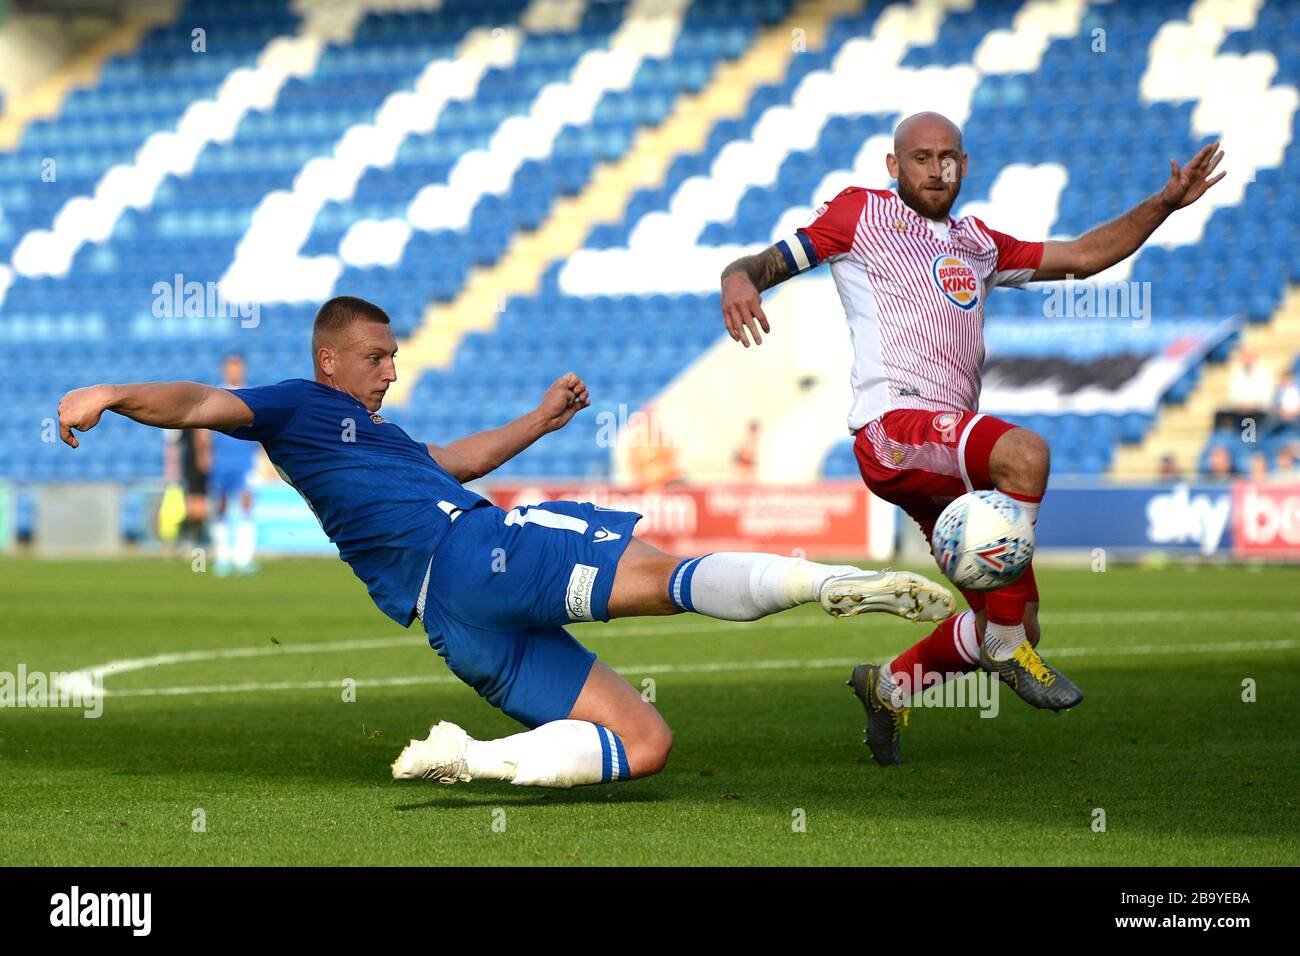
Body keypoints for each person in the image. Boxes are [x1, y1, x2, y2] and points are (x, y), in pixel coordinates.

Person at [57, 296, 954, 789]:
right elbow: (197, 404)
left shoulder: (380, 440)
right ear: (331, 358)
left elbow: (451, 459)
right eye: (377, 356)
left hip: (454, 623)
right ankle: (830, 582)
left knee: (644, 742)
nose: (392, 368)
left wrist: (539, 418)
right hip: (474, 553)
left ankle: (468, 757)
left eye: (395, 354)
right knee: (663, 576)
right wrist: (107, 390)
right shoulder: (300, 401)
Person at [718, 111, 1225, 763]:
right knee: (1025, 455)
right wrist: (739, 279)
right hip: (894, 428)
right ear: (893, 167)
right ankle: (1005, 650)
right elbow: (769, 260)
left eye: (949, 157)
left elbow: (1081, 256)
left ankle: (892, 684)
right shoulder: (859, 214)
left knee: (1017, 622)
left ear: (965, 165)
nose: (936, 168)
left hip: (945, 459)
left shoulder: (977, 242)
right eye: (921, 157)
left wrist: (1163, 204)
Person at [210, 354, 260, 576]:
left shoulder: (251, 395)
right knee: (220, 506)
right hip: (221, 460)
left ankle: (244, 558)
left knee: (246, 505)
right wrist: (204, 454)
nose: (234, 372)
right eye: (231, 367)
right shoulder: (215, 395)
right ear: (224, 370)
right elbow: (203, 428)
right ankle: (222, 556)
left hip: (245, 459)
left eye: (238, 367)